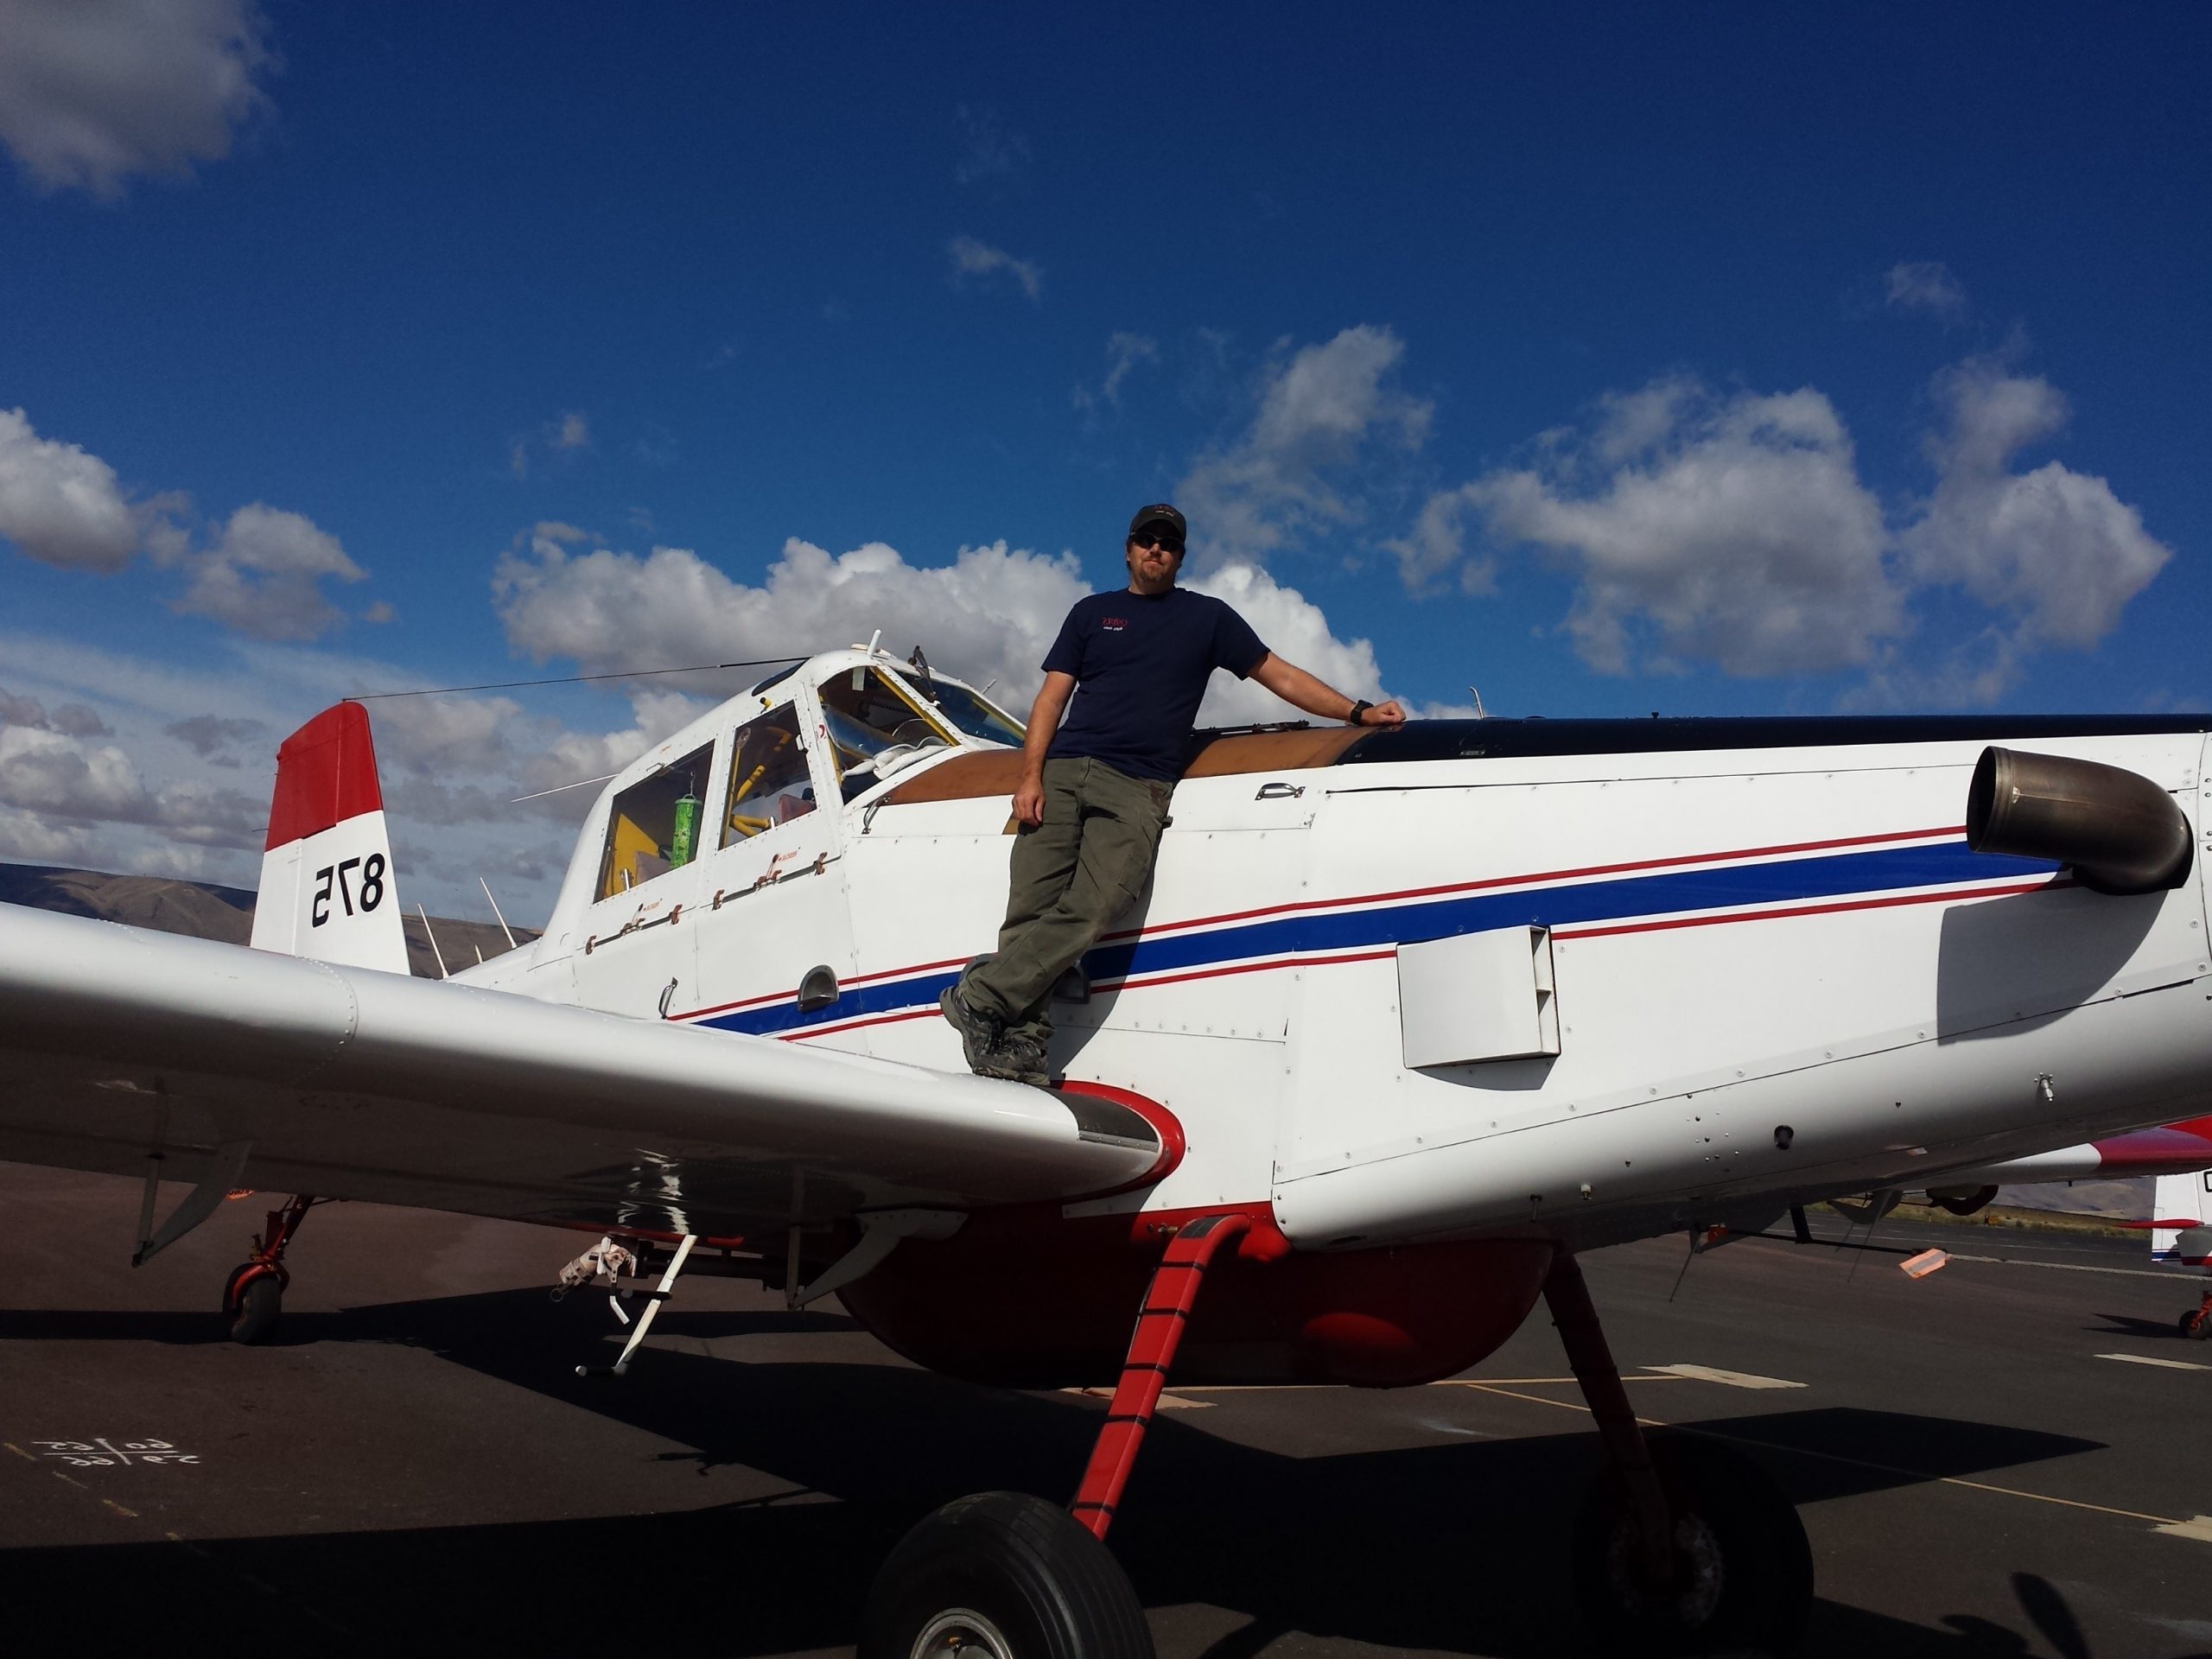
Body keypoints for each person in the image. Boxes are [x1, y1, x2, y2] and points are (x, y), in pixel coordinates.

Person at [941, 503, 1406, 1084]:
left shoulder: (1207, 619)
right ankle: (1019, 1043)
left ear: (1180, 557)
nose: (1156, 549)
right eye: (1146, 539)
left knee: (1097, 906)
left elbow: (1278, 674)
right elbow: (1050, 701)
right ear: (1128, 549)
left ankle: (980, 995)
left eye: (1169, 543)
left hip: (1138, 783)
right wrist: (1029, 775)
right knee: (1029, 909)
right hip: (1061, 772)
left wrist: (1357, 711)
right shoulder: (1091, 614)